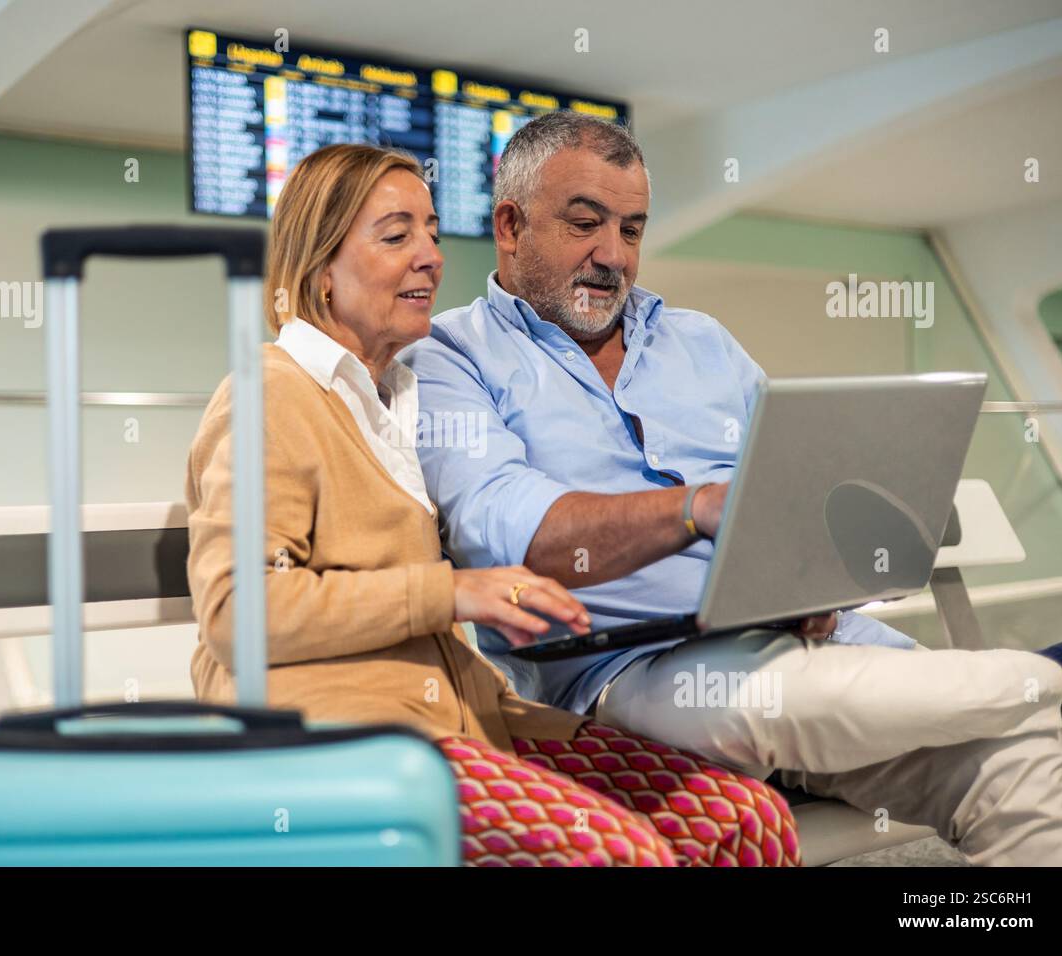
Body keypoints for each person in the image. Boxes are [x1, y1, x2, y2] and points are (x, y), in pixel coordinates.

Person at [402, 110, 1062, 866]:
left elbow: (798, 488)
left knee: (1010, 757)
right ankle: (1050, 672)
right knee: (1010, 700)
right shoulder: (449, 356)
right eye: (586, 223)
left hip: (801, 644)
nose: (612, 256)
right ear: (509, 224)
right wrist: (694, 508)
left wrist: (819, 577)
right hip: (629, 672)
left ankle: (1019, 692)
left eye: (631, 230)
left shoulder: (701, 341)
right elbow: (510, 531)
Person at [185, 142, 800, 867]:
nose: (431, 257)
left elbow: (440, 652)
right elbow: (235, 613)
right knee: (620, 853)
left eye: (433, 232)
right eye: (396, 235)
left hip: (461, 724)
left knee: (743, 816)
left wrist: (568, 733)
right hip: (335, 745)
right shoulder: (272, 391)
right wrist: (451, 591)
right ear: (321, 270)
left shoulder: (399, 406)